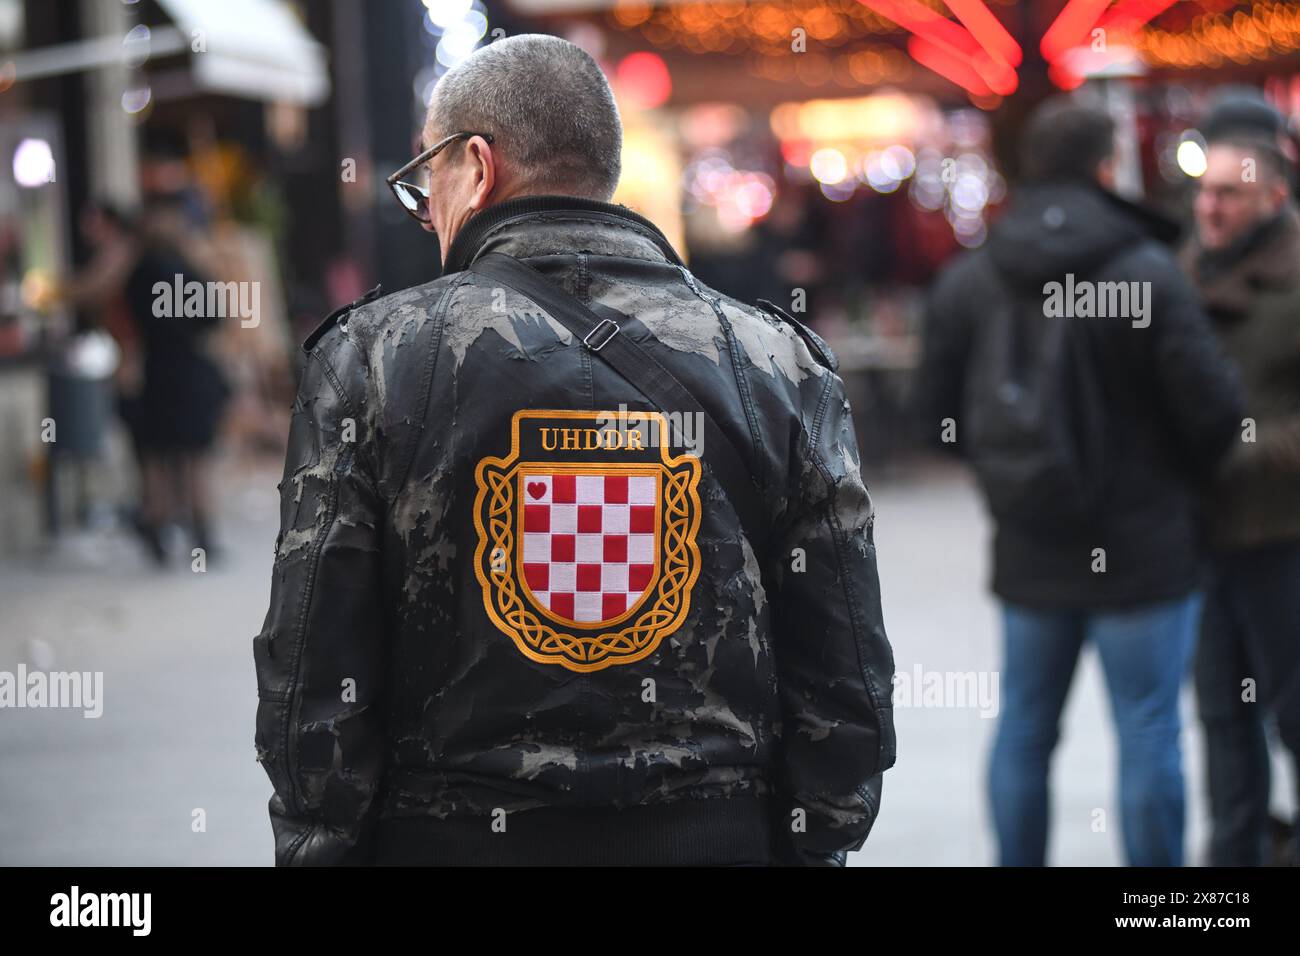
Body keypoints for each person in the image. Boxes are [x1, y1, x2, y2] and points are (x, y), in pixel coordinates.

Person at [253, 34, 896, 867]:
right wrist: (814, 842)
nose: (424, 211)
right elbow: (846, 658)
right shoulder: (774, 363)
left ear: (477, 168)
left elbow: (310, 656)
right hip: (714, 836)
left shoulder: (372, 358)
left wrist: (324, 851)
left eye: (426, 180)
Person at [918, 98, 1243, 866]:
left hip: (1032, 542)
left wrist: (1010, 475)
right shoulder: (1149, 271)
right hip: (1146, 544)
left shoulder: (972, 279)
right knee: (1150, 728)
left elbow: (935, 418)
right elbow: (1215, 413)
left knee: (1026, 728)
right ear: (1107, 168)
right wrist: (1174, 480)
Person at [1183, 90, 1300, 867]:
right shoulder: (1175, 276)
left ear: (1272, 197)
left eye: (1229, 193)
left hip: (1283, 534)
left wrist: (1243, 455)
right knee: (1223, 722)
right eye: (1204, 190)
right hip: (1199, 542)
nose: (1211, 207)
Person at [122, 195, 231, 564]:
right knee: (193, 458)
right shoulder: (184, 266)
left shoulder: (138, 268)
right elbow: (214, 318)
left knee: (160, 458)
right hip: (187, 372)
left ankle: (159, 530)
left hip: (157, 372)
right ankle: (199, 535)